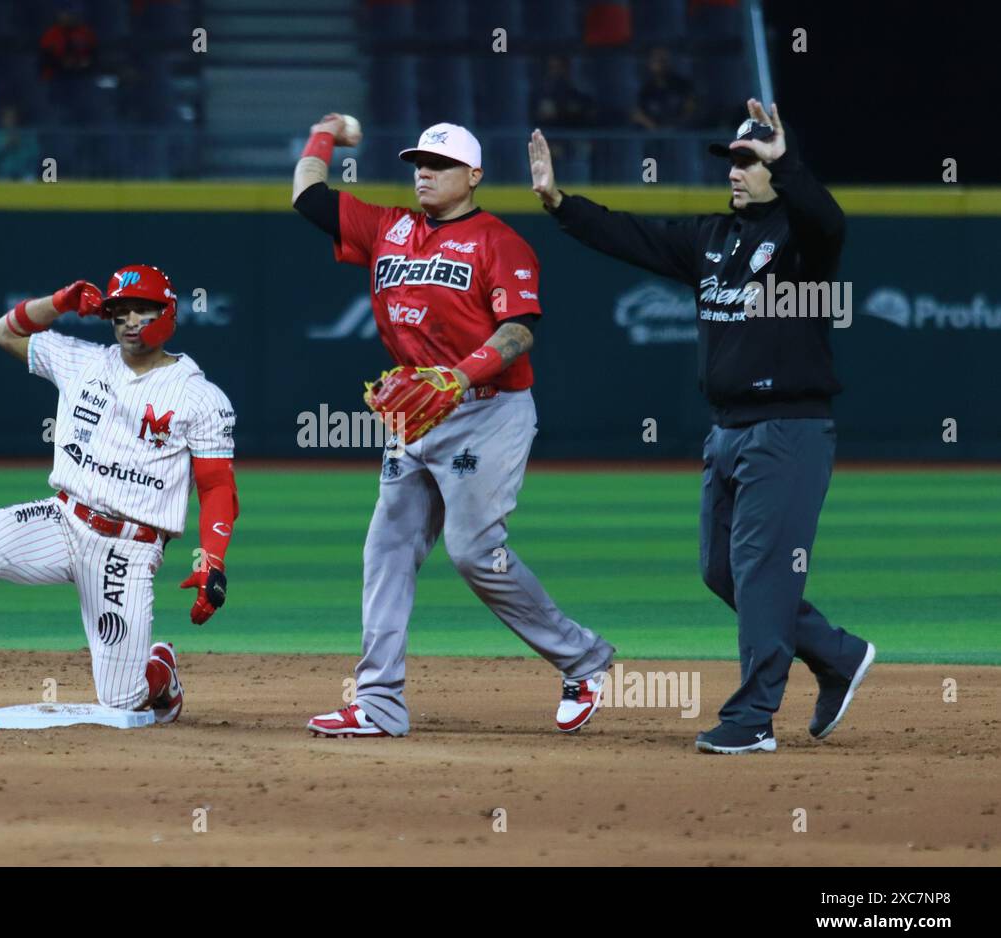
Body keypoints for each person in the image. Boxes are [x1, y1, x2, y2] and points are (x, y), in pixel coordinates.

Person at [528, 100, 876, 755]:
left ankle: (752, 719)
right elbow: (628, 234)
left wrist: (789, 163)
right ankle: (835, 654)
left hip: (788, 429)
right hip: (727, 432)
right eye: (733, 161)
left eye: (749, 160)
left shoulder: (804, 242)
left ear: (778, 164)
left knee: (762, 572)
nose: (736, 172)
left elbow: (829, 221)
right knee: (723, 572)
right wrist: (558, 202)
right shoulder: (712, 240)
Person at [291, 114, 616, 738]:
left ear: (473, 176)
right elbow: (307, 194)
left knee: (474, 552)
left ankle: (583, 660)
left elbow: (519, 330)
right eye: (418, 165)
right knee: (386, 550)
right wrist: (325, 132)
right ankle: (379, 702)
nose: (425, 175)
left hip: (488, 410)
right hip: (416, 413)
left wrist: (459, 377)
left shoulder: (499, 242)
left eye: (438, 166)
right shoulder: (387, 227)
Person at [0, 266, 239, 720]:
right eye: (120, 311)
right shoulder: (81, 360)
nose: (131, 320)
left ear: (168, 312)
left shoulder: (200, 397)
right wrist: (59, 302)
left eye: (143, 308)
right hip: (63, 519)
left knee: (121, 700)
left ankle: (160, 670)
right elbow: (4, 331)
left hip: (128, 548)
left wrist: (211, 559)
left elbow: (216, 486)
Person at [631, 47, 696, 130]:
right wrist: (655, 128)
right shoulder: (645, 89)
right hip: (653, 134)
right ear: (649, 63)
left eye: (664, 60)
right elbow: (637, 114)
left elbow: (691, 110)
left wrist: (676, 127)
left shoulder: (683, 85)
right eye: (657, 60)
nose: (662, 64)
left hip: (679, 133)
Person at [39, 7, 98, 80]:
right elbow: (45, 57)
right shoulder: (51, 34)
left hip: (81, 72)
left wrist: (86, 61)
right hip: (56, 74)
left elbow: (93, 51)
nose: (68, 17)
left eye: (71, 14)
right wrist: (61, 62)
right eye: (65, 15)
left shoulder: (85, 32)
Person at [0, 106, 40, 181]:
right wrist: (6, 144)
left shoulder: (27, 135)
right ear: (2, 119)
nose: (11, 120)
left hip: (24, 174)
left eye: (13, 117)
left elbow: (36, 153)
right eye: (8, 117)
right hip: (3, 175)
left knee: (30, 179)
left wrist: (21, 144)